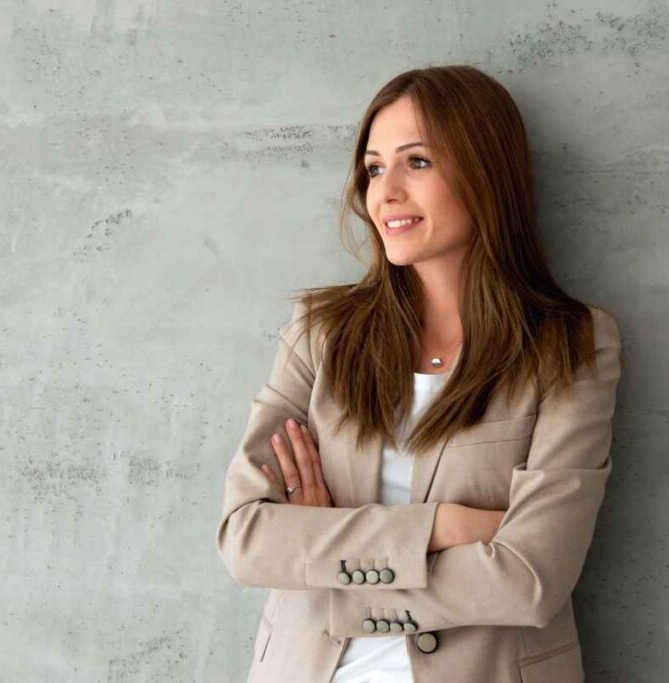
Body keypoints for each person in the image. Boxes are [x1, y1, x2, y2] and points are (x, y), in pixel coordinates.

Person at [216, 64, 624, 683]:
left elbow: (531, 578)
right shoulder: (318, 332)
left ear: (486, 173)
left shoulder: (570, 345)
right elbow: (247, 538)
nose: (385, 192)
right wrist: (443, 527)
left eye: (418, 162)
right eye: (375, 167)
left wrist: (327, 560)